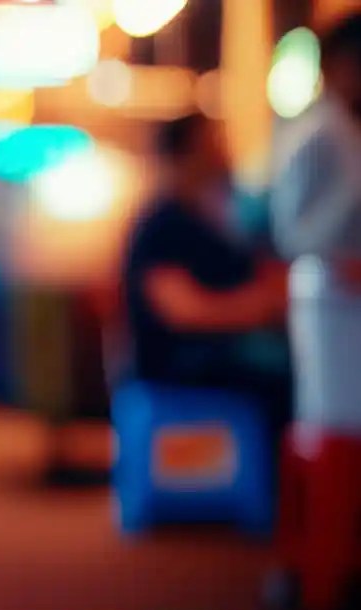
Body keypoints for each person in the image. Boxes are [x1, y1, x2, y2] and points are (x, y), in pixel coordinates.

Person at [123, 113, 290, 421]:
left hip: (220, 362)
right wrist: (261, 308)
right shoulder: (163, 224)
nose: (224, 149)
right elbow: (183, 310)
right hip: (184, 372)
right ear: (189, 152)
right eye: (213, 140)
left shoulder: (210, 218)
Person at [271, 12, 361, 436]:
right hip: (331, 302)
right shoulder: (314, 136)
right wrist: (342, 262)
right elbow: (290, 234)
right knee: (338, 423)